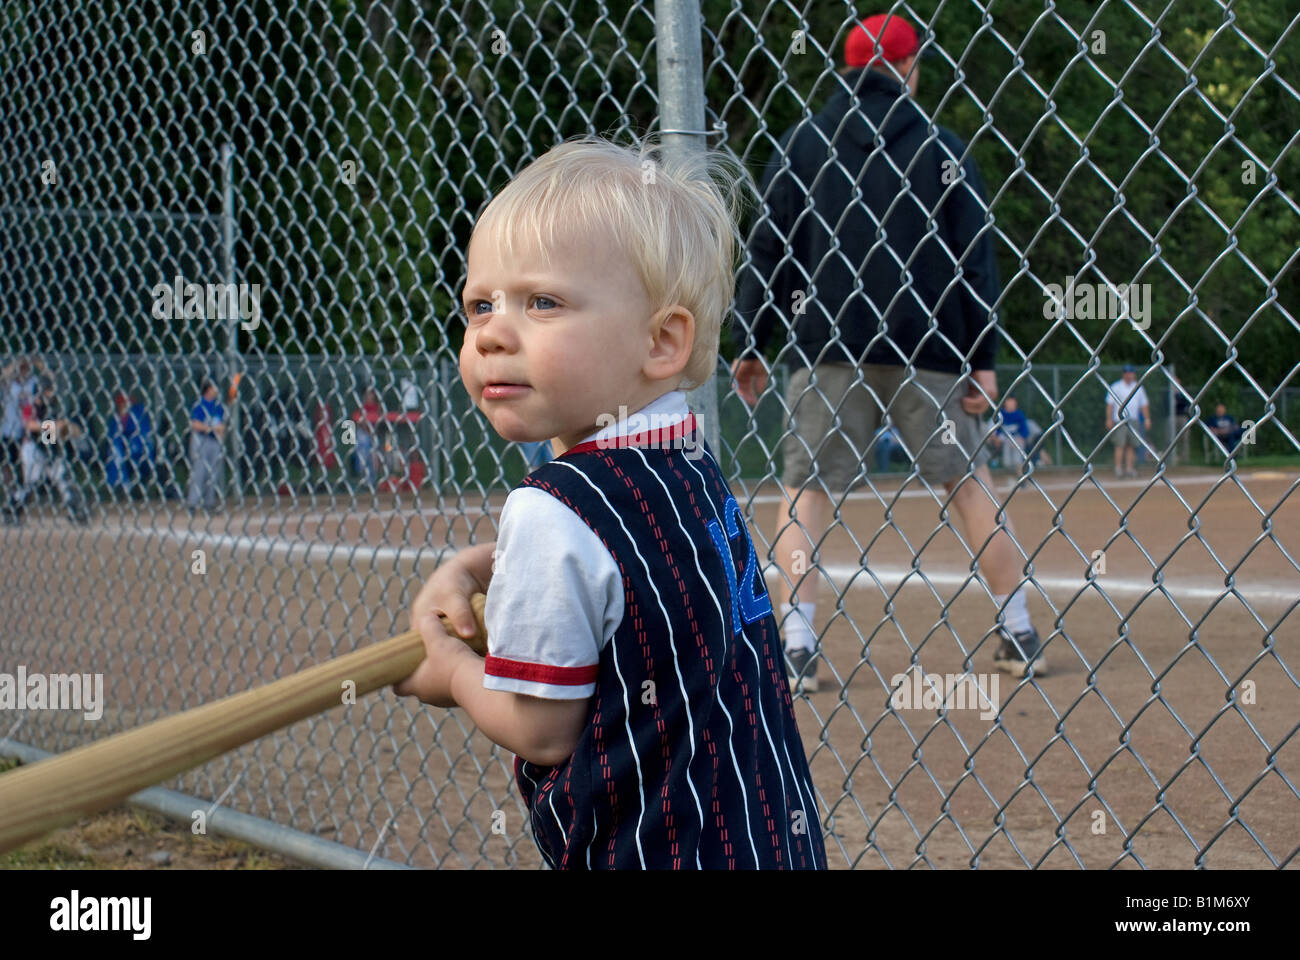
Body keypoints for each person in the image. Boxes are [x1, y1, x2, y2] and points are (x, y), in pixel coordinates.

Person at [394, 134, 826, 870]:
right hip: (767, 839)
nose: (493, 332)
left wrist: (448, 669)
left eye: (543, 302)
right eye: (478, 304)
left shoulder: (551, 507)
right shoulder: (688, 464)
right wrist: (484, 567)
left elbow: (540, 727)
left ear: (661, 342)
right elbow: (632, 580)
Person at [730, 12, 1047, 689]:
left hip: (827, 342)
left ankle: (797, 644)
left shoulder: (803, 142)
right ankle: (1018, 631)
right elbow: (975, 259)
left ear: (848, 69)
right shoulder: (940, 146)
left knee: (806, 490)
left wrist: (752, 339)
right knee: (966, 482)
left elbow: (769, 252)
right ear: (906, 68)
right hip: (928, 343)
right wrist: (983, 355)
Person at [3, 376, 90, 526]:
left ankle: (77, 512)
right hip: (32, 448)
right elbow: (29, 425)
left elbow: (55, 434)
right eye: (48, 391)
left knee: (61, 477)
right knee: (31, 483)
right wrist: (52, 426)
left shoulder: (52, 409)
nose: (51, 394)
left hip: (47, 447)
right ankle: (11, 511)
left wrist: (61, 428)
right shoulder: (32, 407)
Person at [1105, 364, 1152, 479]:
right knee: (1120, 444)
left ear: (1133, 374)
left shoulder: (1138, 387)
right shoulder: (1116, 386)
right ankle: (1118, 469)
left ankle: (1129, 468)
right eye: (1126, 373)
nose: (1128, 375)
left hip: (1134, 419)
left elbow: (1144, 405)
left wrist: (1147, 419)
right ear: (1123, 374)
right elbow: (1110, 405)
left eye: (1130, 373)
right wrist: (1109, 419)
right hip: (1119, 419)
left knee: (1131, 445)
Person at [187, 379, 227, 512]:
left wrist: (218, 430)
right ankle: (193, 503)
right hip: (200, 440)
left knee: (212, 474)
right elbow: (195, 423)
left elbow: (221, 425)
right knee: (199, 472)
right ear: (208, 389)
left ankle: (209, 503)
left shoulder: (218, 406)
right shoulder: (199, 404)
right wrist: (210, 428)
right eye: (213, 388)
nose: (215, 390)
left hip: (214, 441)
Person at [1, 358, 38, 487]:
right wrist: (15, 363)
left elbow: (51, 381)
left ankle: (29, 488)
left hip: (32, 431)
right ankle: (16, 493)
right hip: (11, 431)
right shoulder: (10, 384)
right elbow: (4, 376)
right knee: (7, 463)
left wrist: (38, 363)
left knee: (30, 457)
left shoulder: (34, 383)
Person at [349, 387, 383, 487]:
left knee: (374, 458)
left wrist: (373, 432)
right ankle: (363, 479)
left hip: (373, 434)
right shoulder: (362, 407)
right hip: (364, 434)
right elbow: (359, 422)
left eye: (371, 394)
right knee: (363, 441)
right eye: (368, 394)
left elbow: (379, 422)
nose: (370, 396)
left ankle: (372, 481)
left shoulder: (377, 407)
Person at [993, 394, 1032, 472]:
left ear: (1015, 403)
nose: (1011, 404)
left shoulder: (1019, 415)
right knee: (1007, 462)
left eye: (1012, 402)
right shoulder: (1001, 414)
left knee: (1017, 459)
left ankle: (1020, 474)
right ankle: (1008, 470)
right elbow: (997, 430)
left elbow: (1024, 431)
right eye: (1009, 402)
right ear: (1005, 403)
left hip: (1016, 439)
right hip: (1005, 439)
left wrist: (1021, 438)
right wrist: (997, 438)